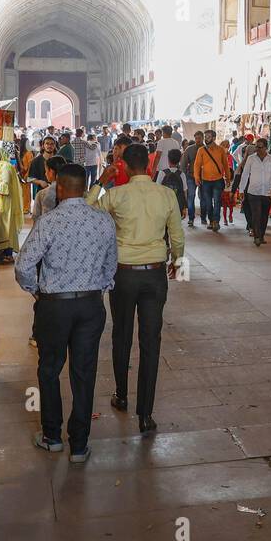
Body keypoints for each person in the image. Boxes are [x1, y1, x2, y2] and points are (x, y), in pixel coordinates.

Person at [15, 164, 117, 464]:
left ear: (59, 187)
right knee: (84, 372)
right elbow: (111, 265)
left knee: (49, 369)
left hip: (54, 306)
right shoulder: (103, 220)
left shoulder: (49, 222)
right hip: (90, 305)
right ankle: (80, 445)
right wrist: (100, 286)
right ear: (84, 187)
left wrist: (36, 290)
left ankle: (51, 436)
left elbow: (23, 265)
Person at [92, 143, 184, 433]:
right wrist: (178, 262)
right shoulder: (166, 195)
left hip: (124, 274)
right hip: (155, 275)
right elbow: (177, 236)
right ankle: (145, 414)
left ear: (125, 167)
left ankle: (121, 395)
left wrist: (100, 181)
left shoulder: (116, 195)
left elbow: (87, 209)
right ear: (148, 164)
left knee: (122, 335)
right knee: (151, 342)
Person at [0, 145, 24, 262]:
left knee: (7, 227)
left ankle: (8, 254)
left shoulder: (6, 167)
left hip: (6, 203)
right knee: (0, 227)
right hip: (0, 202)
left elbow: (4, 185)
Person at [240, 138, 271, 246]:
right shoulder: (251, 159)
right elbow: (245, 175)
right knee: (256, 214)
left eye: (260, 147)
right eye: (256, 147)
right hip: (253, 192)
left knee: (264, 216)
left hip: (267, 193)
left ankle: (261, 235)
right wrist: (241, 189)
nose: (257, 149)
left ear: (266, 148)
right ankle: (257, 236)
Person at [193, 129, 232, 232]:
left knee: (217, 202)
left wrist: (228, 178)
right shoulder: (201, 150)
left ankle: (216, 221)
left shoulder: (220, 150)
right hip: (205, 181)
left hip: (218, 180)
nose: (206, 139)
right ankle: (211, 220)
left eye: (208, 137)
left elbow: (226, 165)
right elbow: (197, 165)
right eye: (205, 137)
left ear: (214, 138)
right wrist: (197, 177)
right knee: (208, 203)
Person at [31, 155, 69, 219]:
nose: (45, 174)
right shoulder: (73, 192)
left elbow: (36, 220)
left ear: (51, 171)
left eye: (46, 171)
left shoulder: (41, 194)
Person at [158, 149, 189, 220]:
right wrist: (184, 207)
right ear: (179, 160)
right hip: (177, 206)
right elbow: (185, 192)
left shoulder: (162, 173)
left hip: (164, 206)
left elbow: (157, 190)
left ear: (168, 159)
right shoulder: (182, 174)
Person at [183, 131, 204, 227]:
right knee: (191, 196)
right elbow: (183, 164)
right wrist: (183, 176)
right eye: (196, 138)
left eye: (199, 138)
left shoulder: (206, 149)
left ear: (203, 138)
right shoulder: (189, 149)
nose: (198, 140)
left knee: (204, 197)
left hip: (204, 177)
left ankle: (204, 217)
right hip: (191, 176)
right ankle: (191, 218)